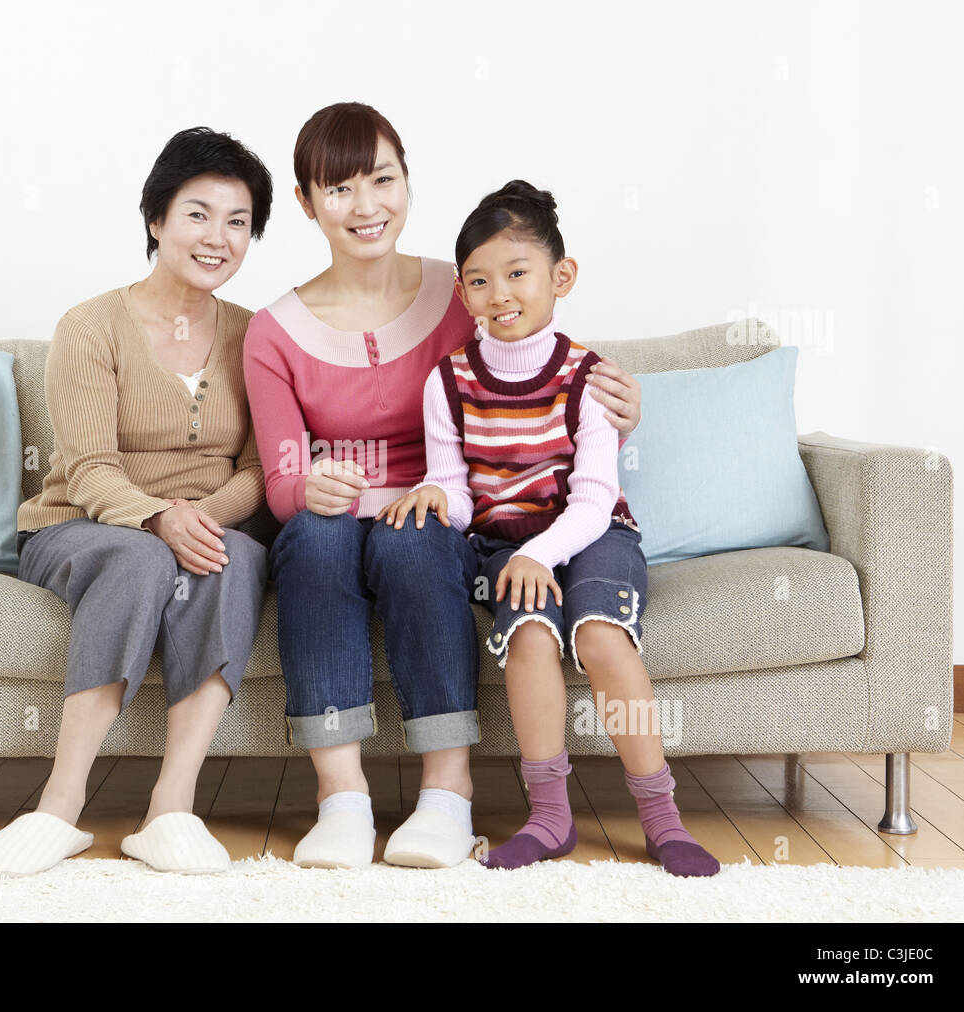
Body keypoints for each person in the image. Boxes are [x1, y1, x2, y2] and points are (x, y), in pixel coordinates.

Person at [243, 104, 645, 869]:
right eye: (339, 189)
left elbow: (534, 375)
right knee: (314, 540)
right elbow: (282, 476)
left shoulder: (461, 293)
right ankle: (342, 799)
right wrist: (309, 490)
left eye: (383, 180)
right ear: (305, 202)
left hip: (438, 508)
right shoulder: (274, 331)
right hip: (329, 515)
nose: (366, 207)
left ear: (407, 183)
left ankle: (447, 795)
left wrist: (621, 409)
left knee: (418, 537)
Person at [381, 179, 719, 876]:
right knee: (531, 635)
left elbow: (595, 500)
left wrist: (538, 553)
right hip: (506, 548)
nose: (498, 293)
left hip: (593, 536)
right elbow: (460, 494)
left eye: (515, 273)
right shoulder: (447, 383)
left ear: (560, 277)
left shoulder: (587, 377)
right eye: (478, 280)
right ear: (461, 294)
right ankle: (550, 818)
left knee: (598, 634)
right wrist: (429, 500)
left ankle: (661, 817)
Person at [0, 127, 277, 878]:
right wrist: (158, 517)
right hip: (82, 526)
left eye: (238, 222)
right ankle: (60, 806)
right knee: (143, 556)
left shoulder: (258, 336)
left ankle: (171, 807)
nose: (218, 237)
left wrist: (197, 520)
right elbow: (92, 470)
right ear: (156, 220)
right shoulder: (89, 326)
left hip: (207, 522)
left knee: (232, 557)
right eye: (198, 214)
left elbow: (260, 469)